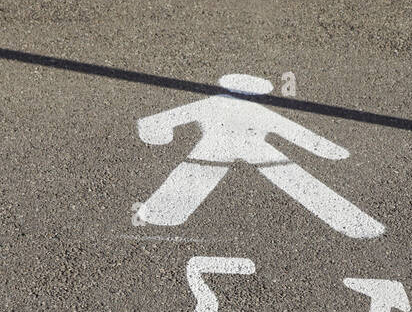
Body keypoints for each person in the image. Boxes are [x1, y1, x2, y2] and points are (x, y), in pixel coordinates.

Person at [135, 73, 384, 238]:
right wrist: (325, 150)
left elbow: (291, 130)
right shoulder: (221, 104)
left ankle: (162, 214)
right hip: (228, 149)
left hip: (235, 149)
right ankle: (352, 222)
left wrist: (324, 149)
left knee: (196, 174)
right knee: (300, 182)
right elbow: (162, 119)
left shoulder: (233, 106)